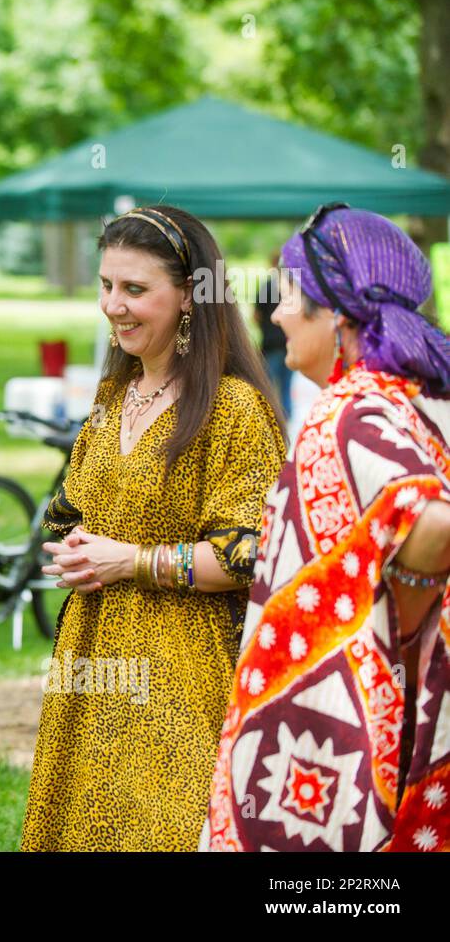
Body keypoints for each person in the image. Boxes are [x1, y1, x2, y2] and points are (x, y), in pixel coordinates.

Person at [28, 205, 287, 851]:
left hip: (181, 665)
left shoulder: (234, 409)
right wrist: (74, 543)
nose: (113, 305)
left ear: (191, 298)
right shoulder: (112, 398)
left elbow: (248, 553)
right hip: (89, 657)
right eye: (106, 285)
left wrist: (133, 560)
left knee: (161, 829)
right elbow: (66, 510)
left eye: (135, 289)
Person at [205, 205, 450, 852]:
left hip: (337, 730)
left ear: (336, 313)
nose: (277, 314)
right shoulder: (423, 398)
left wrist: (402, 623)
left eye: (288, 296)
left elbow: (436, 524)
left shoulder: (350, 413)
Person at [256, 253, 292, 419]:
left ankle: (269, 421)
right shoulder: (292, 287)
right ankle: (287, 421)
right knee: (286, 387)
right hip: (289, 343)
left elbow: (256, 315)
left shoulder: (266, 286)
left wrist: (264, 328)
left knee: (268, 388)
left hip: (270, 344)